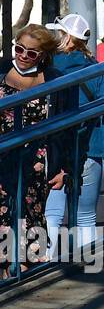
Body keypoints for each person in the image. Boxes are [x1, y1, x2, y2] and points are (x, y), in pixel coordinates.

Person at [42, 14, 104, 259]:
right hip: (91, 148)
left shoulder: (49, 69)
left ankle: (49, 262)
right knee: (86, 213)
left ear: (65, 37)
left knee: (52, 211)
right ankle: (87, 264)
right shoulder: (98, 69)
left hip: (55, 148)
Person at [0, 24, 65, 269]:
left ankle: (26, 271)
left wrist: (63, 168)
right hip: (3, 156)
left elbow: (65, 127)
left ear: (43, 55)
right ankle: (7, 275)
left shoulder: (55, 80)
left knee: (30, 214)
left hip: (35, 162)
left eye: (31, 53)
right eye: (19, 49)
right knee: (2, 216)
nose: (23, 56)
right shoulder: (1, 71)